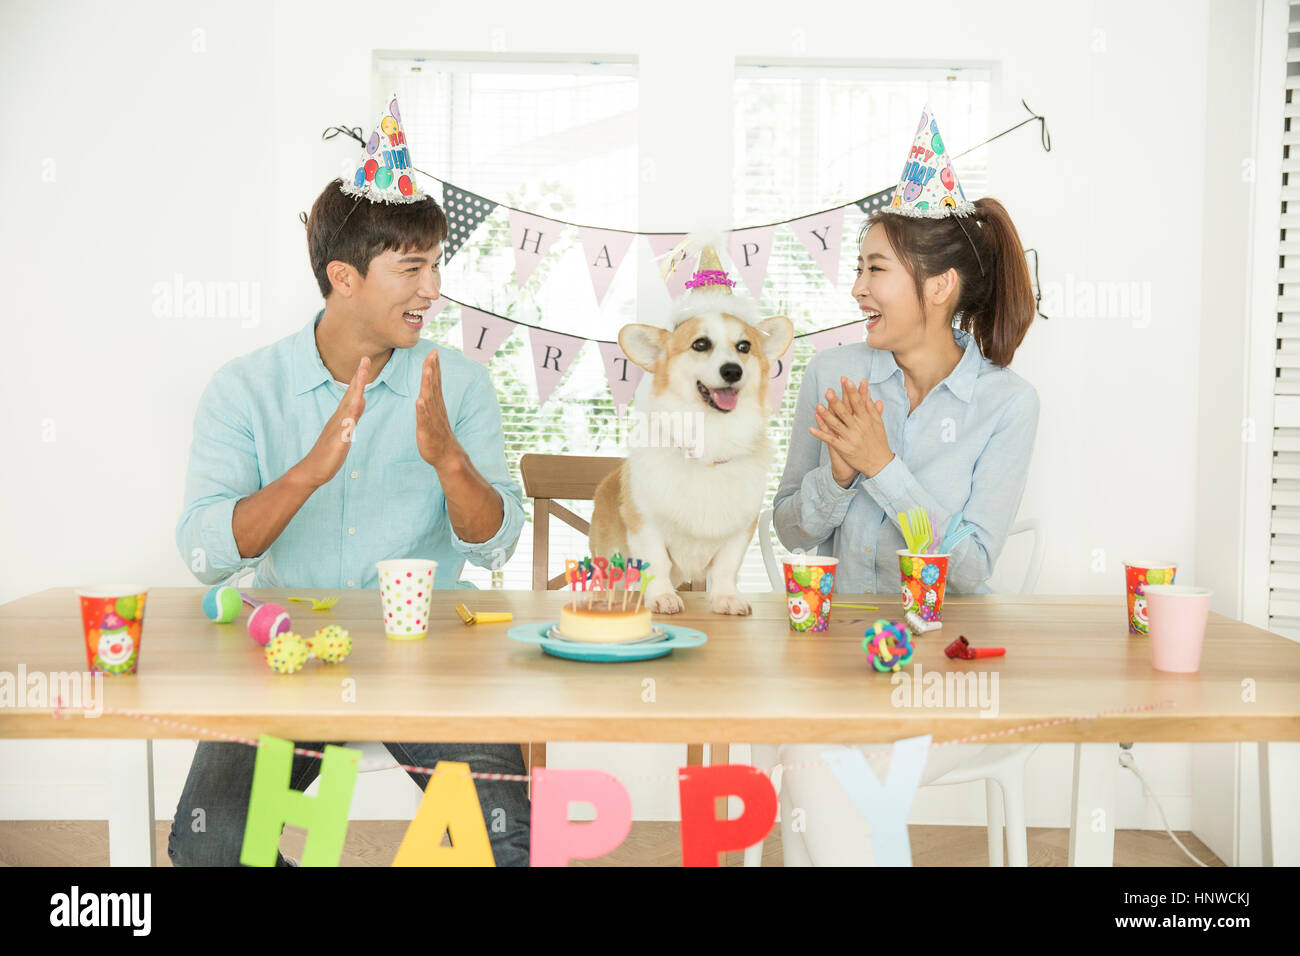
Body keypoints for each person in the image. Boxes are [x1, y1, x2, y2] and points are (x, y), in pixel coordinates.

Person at [170, 97, 530, 866]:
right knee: (213, 847)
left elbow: (498, 544)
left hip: (433, 655)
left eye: (437, 265)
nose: (434, 289)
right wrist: (305, 475)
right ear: (344, 276)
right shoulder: (246, 389)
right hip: (287, 660)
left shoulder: (458, 384)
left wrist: (449, 461)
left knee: (505, 845)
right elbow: (205, 553)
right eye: (412, 268)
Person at [771, 106, 1040, 864]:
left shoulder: (1008, 406)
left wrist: (885, 470)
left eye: (874, 269)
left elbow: (975, 569)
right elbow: (790, 529)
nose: (855, 288)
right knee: (822, 754)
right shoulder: (834, 374)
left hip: (945, 677)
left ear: (940, 286)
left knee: (821, 764)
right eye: (857, 268)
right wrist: (839, 473)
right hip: (834, 664)